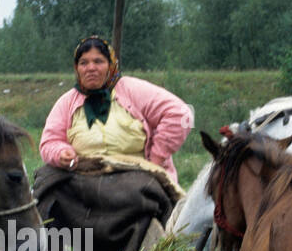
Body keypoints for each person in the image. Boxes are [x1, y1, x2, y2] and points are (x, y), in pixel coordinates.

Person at [40, 35, 192, 187]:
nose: (91, 68)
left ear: (111, 65)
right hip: (83, 179)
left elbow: (181, 114)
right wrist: (61, 153)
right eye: (84, 63)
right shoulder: (67, 102)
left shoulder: (134, 90)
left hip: (139, 177)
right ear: (77, 68)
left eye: (98, 61)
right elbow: (49, 141)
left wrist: (156, 160)